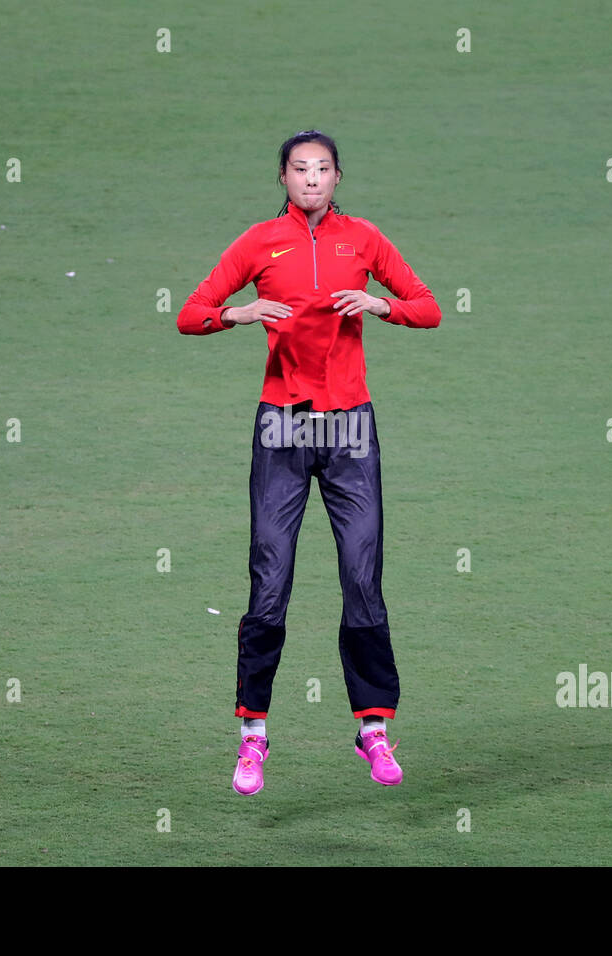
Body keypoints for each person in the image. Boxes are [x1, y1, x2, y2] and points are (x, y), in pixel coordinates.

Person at [176, 129, 442, 794]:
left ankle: (374, 728)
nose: (313, 179)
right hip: (281, 430)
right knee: (269, 586)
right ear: (284, 179)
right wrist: (238, 316)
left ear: (338, 177)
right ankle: (252, 736)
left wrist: (381, 305)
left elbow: (429, 309)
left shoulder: (364, 239)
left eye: (323, 169)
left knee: (361, 579)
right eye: (301, 169)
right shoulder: (259, 242)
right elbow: (190, 314)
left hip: (351, 429)